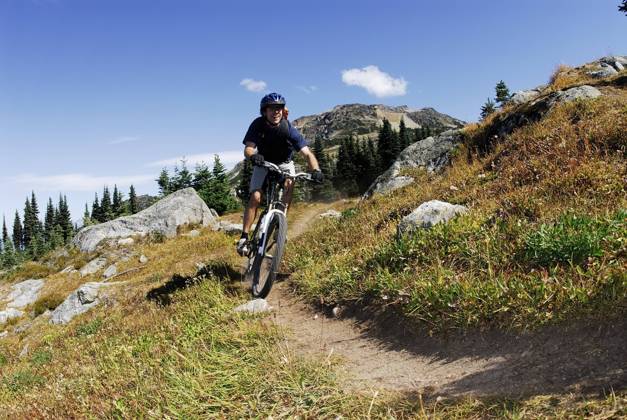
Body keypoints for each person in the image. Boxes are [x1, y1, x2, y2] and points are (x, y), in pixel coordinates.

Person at [237, 93, 323, 256]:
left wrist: (316, 170)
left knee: (290, 185)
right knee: (255, 197)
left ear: (283, 111)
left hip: (284, 163)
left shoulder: (288, 129)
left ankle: (279, 227)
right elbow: (248, 148)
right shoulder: (258, 124)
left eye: (279, 108)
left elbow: (307, 154)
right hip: (264, 162)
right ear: (264, 111)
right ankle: (244, 237)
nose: (276, 112)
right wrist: (254, 156)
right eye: (272, 109)